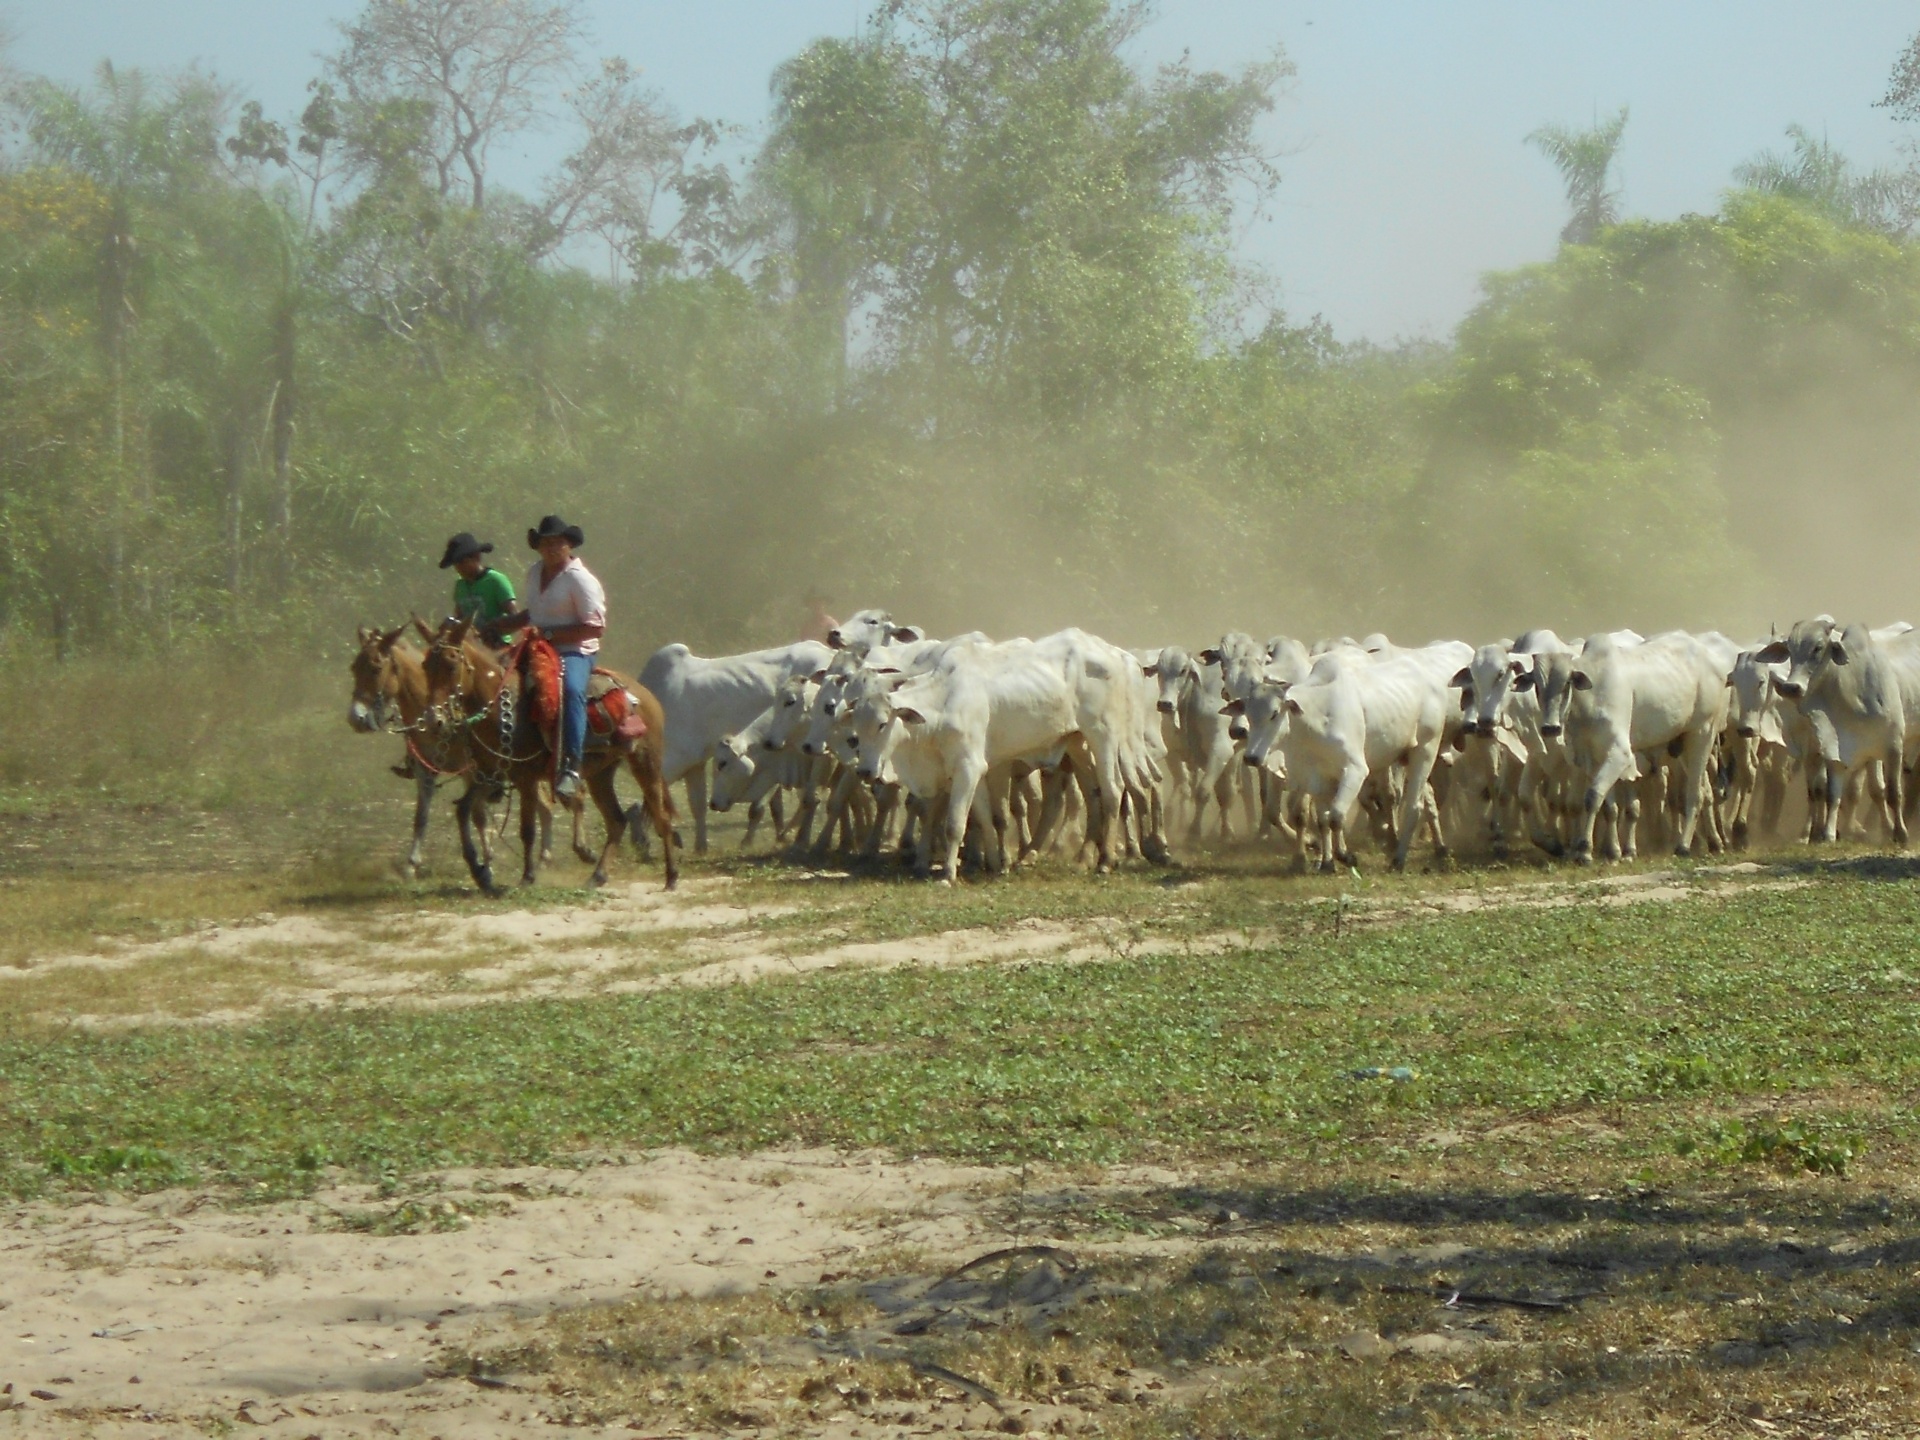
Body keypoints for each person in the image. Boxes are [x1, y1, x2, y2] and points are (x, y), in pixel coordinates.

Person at [491, 515, 606, 800]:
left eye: (558, 543)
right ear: (538, 546)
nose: (552, 548)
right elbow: (533, 613)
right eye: (546, 543)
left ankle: (571, 766)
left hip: (576, 651)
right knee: (494, 679)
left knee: (570, 691)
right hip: (537, 647)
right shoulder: (534, 573)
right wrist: (497, 626)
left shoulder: (580, 579)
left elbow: (595, 627)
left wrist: (550, 636)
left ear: (568, 546)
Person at [438, 532, 520, 641]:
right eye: (456, 564)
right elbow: (459, 616)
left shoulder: (496, 580)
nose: (459, 568)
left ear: (477, 557)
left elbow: (515, 617)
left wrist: (494, 630)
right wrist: (450, 624)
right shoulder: (460, 586)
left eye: (463, 562)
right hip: (470, 646)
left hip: (498, 645)